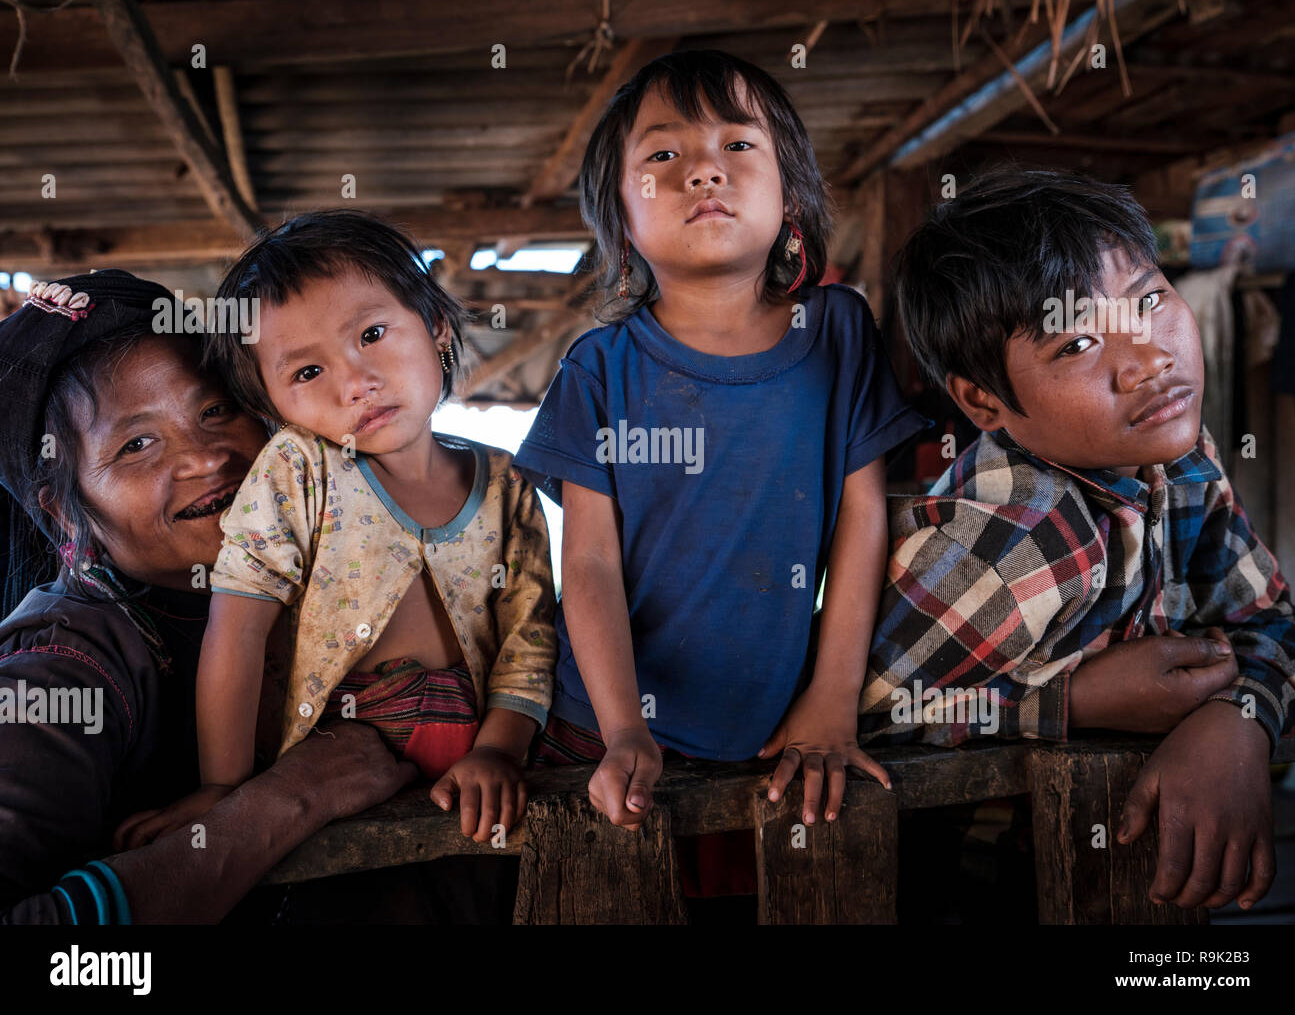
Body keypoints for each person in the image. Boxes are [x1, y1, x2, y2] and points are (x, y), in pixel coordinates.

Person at [860, 166, 1295, 911]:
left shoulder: (1184, 462)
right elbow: (873, 710)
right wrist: (1071, 700)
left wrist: (1240, 719)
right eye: (1079, 342)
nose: (1150, 360)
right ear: (983, 400)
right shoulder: (1017, 538)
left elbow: (1270, 619)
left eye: (1150, 299)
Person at [513, 49, 928, 835]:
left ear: (791, 197)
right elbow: (590, 563)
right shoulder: (599, 369)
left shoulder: (837, 331)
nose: (702, 172)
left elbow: (861, 517)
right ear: (622, 221)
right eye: (663, 155)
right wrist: (623, 725)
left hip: (786, 731)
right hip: (596, 733)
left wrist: (834, 698)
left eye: (739, 146)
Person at [121, 211, 558, 849]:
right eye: (306, 372)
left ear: (435, 326)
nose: (355, 382)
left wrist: (497, 751)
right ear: (274, 407)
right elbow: (237, 633)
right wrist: (223, 785)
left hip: (479, 763)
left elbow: (528, 640)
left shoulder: (507, 484)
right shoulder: (298, 472)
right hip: (336, 764)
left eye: (373, 332)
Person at [0, 270, 417, 924]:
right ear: (64, 513)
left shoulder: (323, 575)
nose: (206, 458)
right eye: (137, 444)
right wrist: (288, 800)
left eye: (216, 410)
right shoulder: (61, 668)